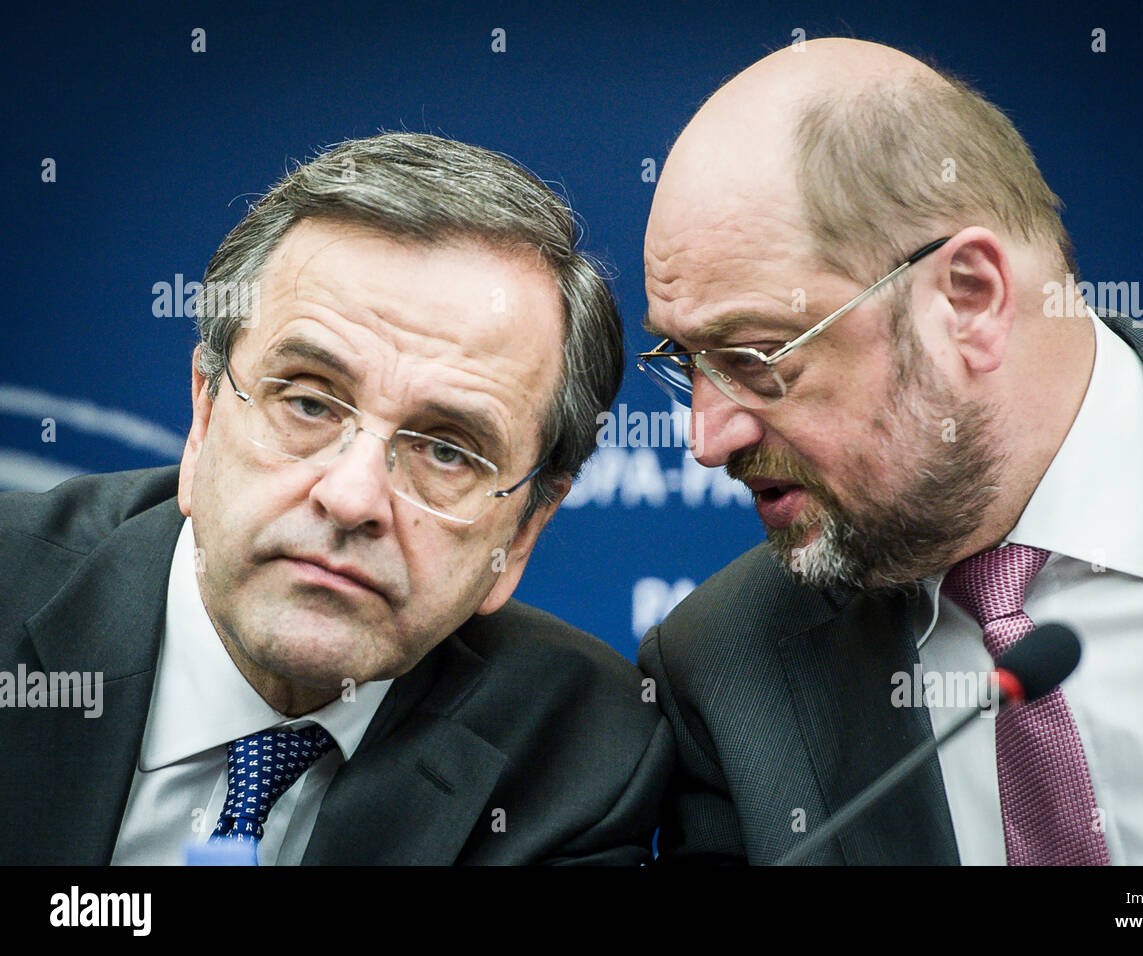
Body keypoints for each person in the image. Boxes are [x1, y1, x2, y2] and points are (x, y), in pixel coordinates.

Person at [636, 39, 1143, 865]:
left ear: (969, 299)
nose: (706, 439)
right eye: (685, 363)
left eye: (753, 358)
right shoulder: (727, 669)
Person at [0, 132, 671, 865]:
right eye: (311, 405)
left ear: (522, 531)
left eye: (447, 450)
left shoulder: (576, 757)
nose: (352, 498)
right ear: (203, 418)